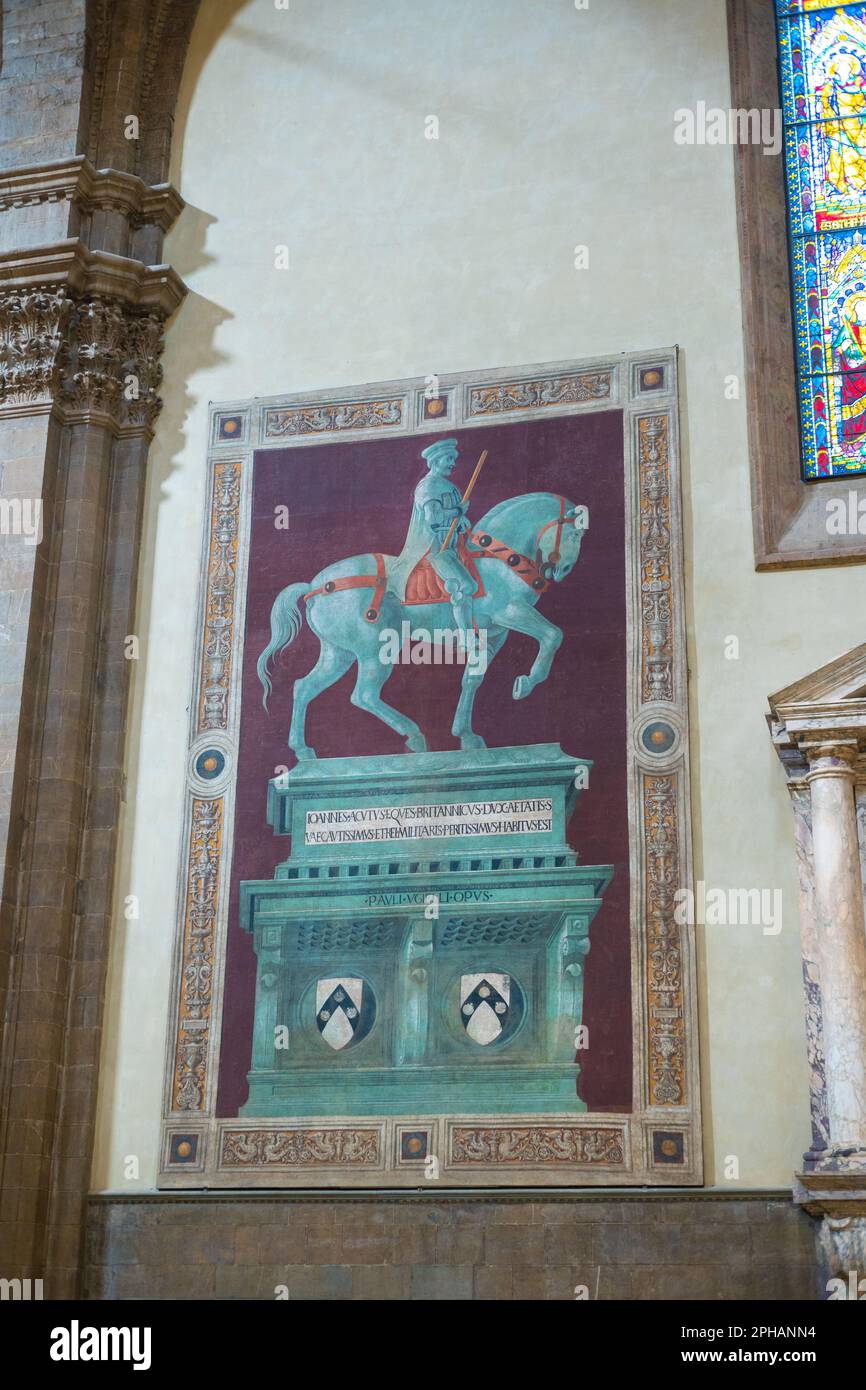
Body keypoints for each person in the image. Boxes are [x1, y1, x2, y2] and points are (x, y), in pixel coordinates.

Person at [390, 437, 476, 635]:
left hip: (454, 544)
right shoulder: (428, 487)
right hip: (434, 548)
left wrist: (461, 522)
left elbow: (453, 521)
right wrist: (457, 512)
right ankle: (467, 638)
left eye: (453, 459)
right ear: (436, 461)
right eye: (449, 458)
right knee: (466, 585)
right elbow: (433, 518)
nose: (453, 463)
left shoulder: (450, 486)